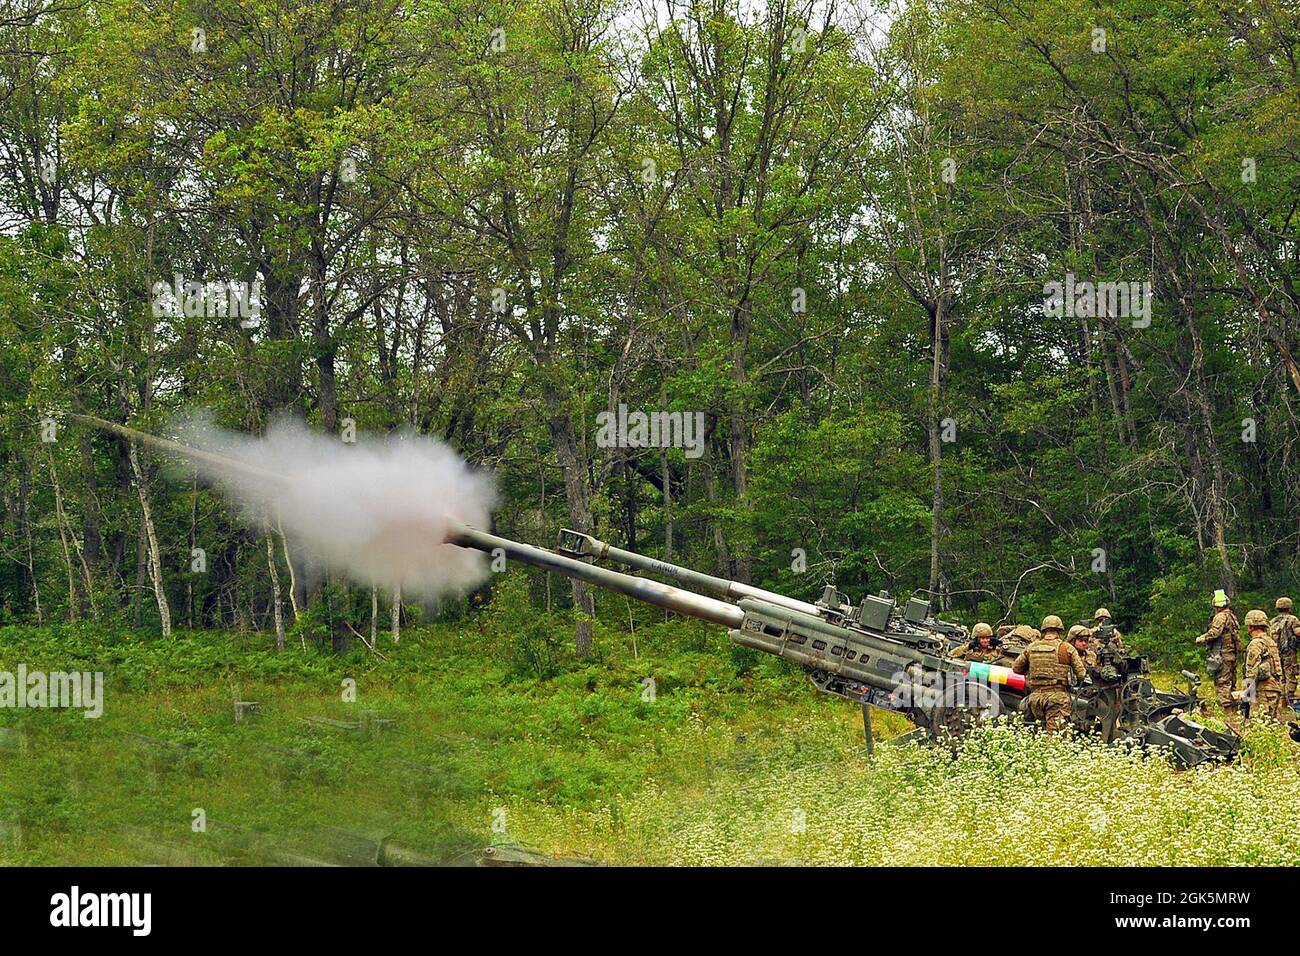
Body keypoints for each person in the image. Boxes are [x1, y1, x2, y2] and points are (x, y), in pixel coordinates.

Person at [1013, 615, 1085, 735]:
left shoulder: (1031, 647)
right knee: (1056, 738)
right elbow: (1081, 674)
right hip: (1057, 699)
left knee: (1036, 734)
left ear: (1044, 630)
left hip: (1035, 699)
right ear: (1059, 631)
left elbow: (1016, 669)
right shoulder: (1066, 648)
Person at [1195, 589, 1241, 731]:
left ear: (1218, 606)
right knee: (1231, 683)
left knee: (1222, 683)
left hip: (1222, 655)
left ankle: (1229, 716)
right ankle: (1234, 711)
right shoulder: (1232, 616)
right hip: (1231, 655)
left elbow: (1215, 633)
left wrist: (1202, 638)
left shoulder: (1220, 617)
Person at [1240, 609, 1284, 723]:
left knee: (1258, 725)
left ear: (1250, 626)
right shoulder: (1270, 641)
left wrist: (1245, 693)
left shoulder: (1256, 643)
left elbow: (1251, 672)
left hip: (1262, 690)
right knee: (1270, 726)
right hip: (1274, 688)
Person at [1269, 598, 1300, 706]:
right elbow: (1298, 633)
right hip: (1289, 653)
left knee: (1280, 677)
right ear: (1289, 607)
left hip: (1276, 654)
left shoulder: (1273, 621)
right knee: (1290, 676)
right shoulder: (1292, 619)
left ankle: (1281, 700)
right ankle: (1288, 701)